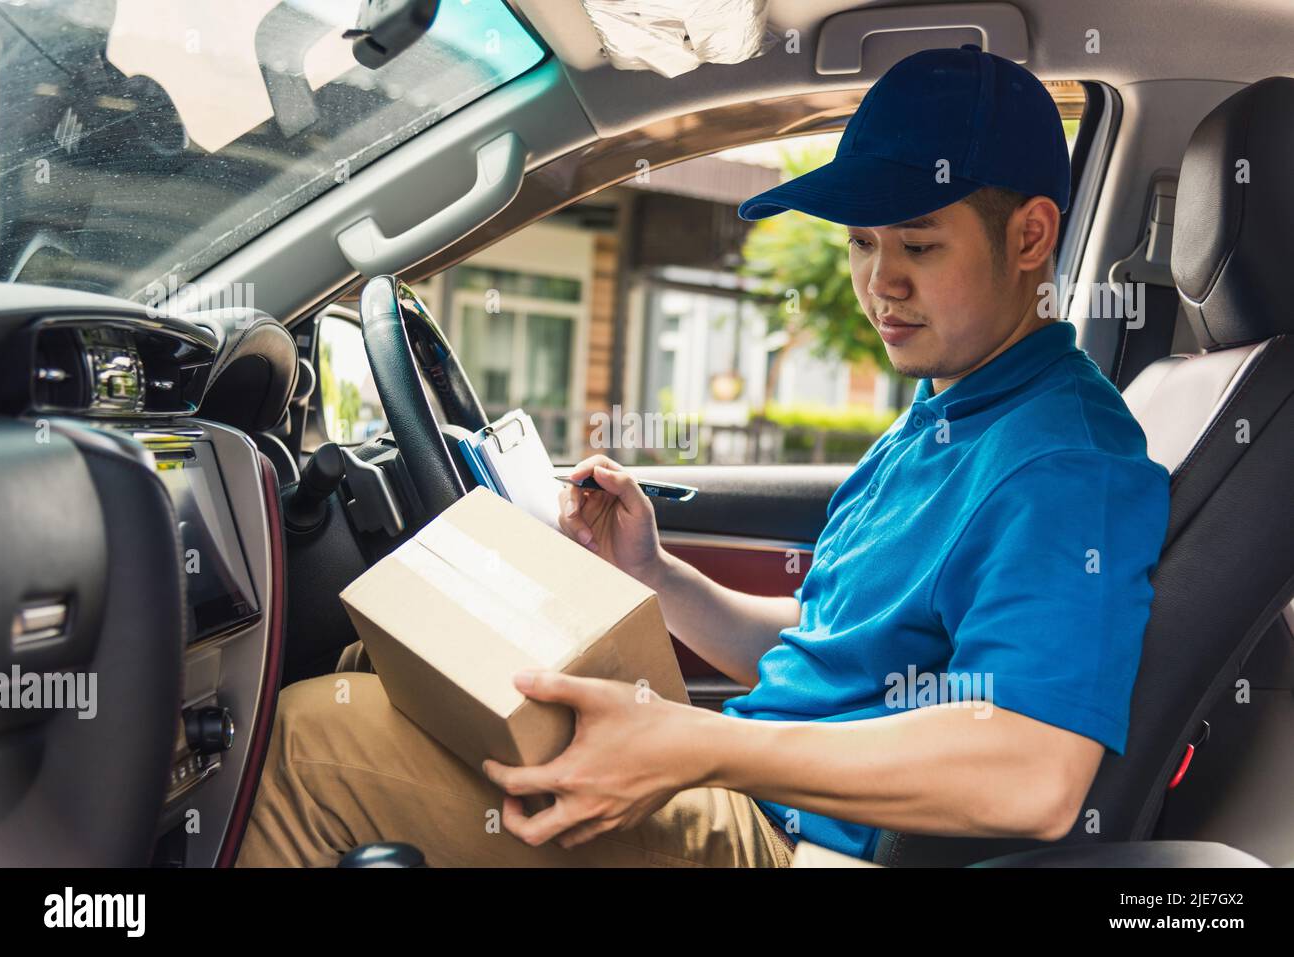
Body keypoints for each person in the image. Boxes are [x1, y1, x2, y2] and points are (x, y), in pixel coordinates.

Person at [237, 45, 1170, 867]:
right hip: (753, 794)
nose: (879, 284)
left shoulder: (1062, 465)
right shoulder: (949, 410)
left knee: (308, 747)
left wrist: (696, 747)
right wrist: (655, 574)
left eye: (919, 245)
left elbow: (1034, 772)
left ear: (1031, 236)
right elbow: (830, 650)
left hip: (788, 842)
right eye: (860, 243)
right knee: (378, 673)